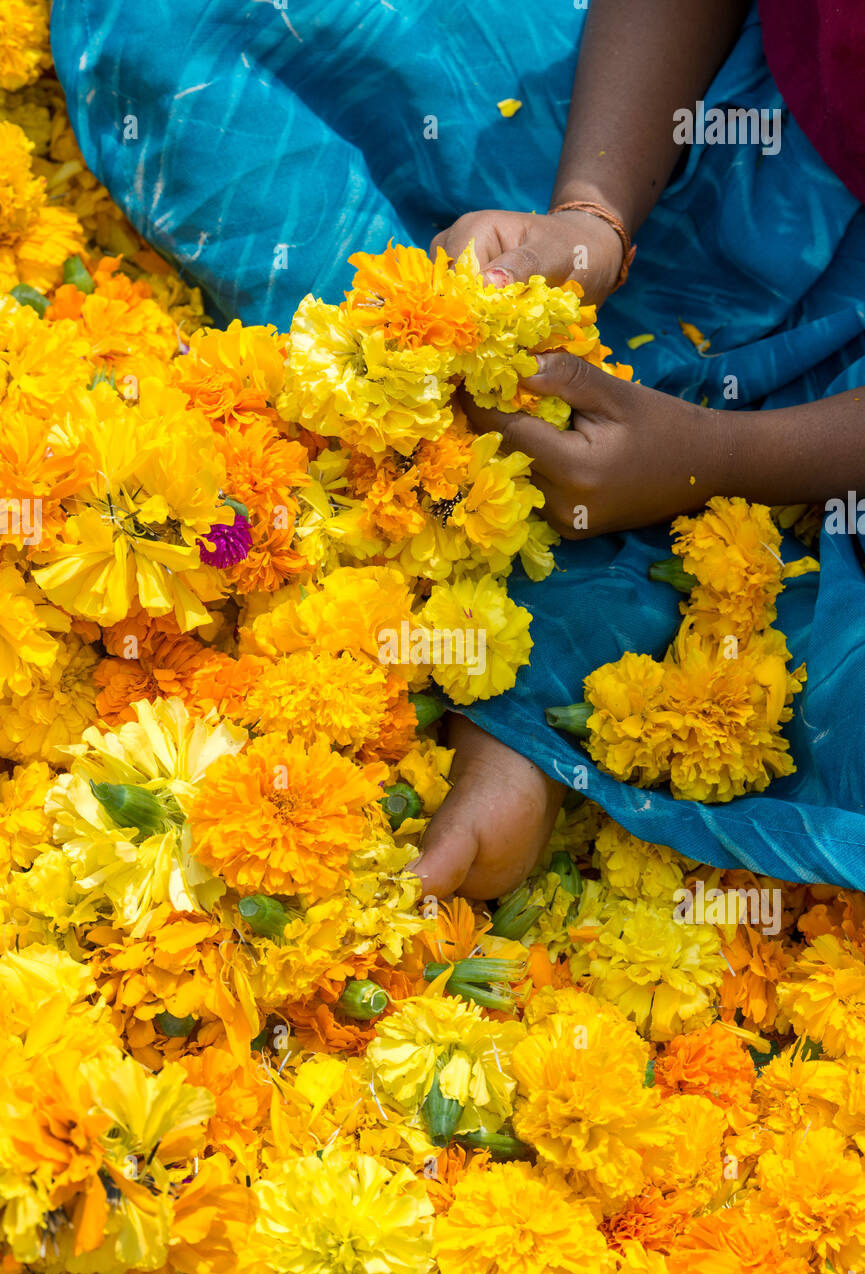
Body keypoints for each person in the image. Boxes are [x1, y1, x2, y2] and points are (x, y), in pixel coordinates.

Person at [52, 0, 865, 893]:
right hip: (702, 114)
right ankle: (462, 510)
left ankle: (517, 671)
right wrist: (591, 218)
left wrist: (723, 457)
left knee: (800, 659)